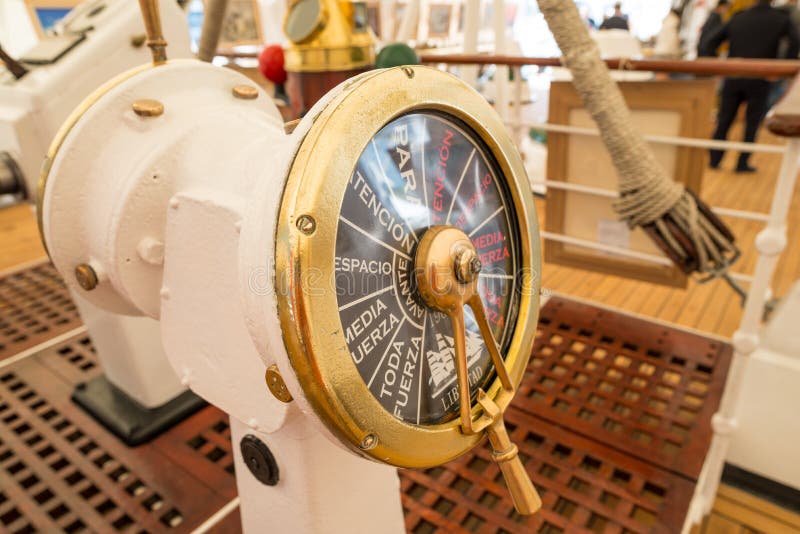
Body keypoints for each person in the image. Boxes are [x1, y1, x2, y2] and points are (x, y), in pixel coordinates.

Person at [699, 0, 799, 173]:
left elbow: (708, 43)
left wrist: (718, 66)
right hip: (761, 78)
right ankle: (742, 163)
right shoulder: (780, 19)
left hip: (733, 76)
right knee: (751, 124)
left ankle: (715, 160)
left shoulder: (739, 18)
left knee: (724, 120)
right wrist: (781, 68)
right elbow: (796, 42)